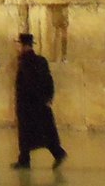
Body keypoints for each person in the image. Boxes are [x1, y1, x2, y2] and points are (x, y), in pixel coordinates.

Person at [11, 33, 65, 169]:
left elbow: (26, 84)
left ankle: (25, 159)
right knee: (45, 131)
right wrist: (48, 97)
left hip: (28, 104)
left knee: (26, 132)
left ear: (23, 46)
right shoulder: (40, 60)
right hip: (40, 103)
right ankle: (57, 153)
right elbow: (49, 80)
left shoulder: (25, 62)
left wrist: (23, 102)